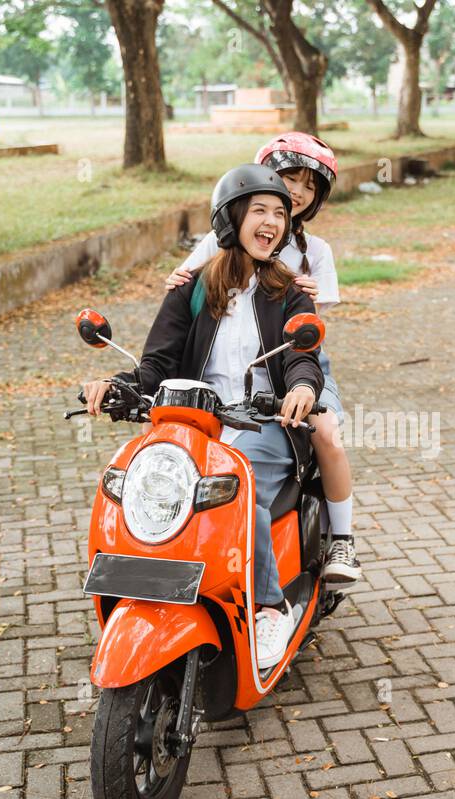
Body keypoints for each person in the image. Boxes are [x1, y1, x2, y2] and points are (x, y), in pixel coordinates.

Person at [83, 163, 321, 668]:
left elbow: (302, 353)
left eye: (280, 214)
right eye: (260, 210)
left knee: (239, 495)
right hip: (192, 423)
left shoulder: (290, 291)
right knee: (134, 482)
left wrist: (301, 384)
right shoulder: (193, 286)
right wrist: (117, 387)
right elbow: (156, 364)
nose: (273, 222)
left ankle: (270, 606)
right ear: (232, 218)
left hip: (263, 425)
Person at [165, 133, 361, 589]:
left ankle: (343, 539)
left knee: (326, 431)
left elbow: (313, 319)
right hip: (236, 372)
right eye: (288, 179)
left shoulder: (315, 253)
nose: (296, 192)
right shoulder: (225, 239)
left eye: (308, 187)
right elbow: (190, 279)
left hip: (294, 355)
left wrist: (303, 297)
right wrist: (178, 279)